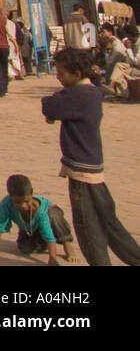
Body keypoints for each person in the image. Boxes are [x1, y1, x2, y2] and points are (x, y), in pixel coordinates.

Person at [41, 47, 140, 266]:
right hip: (94, 165)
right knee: (108, 220)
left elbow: (50, 105)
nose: (58, 77)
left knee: (87, 226)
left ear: (76, 74)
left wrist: (50, 107)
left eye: (61, 73)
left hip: (81, 169)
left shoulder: (77, 95)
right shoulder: (93, 92)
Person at [0, 174, 74, 265]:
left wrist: (52, 258)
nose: (23, 206)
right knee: (26, 249)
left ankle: (67, 244)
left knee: (54, 214)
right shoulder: (6, 205)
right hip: (29, 229)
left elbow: (48, 234)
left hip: (51, 224)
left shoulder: (40, 210)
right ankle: (43, 243)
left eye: (26, 201)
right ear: (10, 196)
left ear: (31, 194)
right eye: (17, 202)